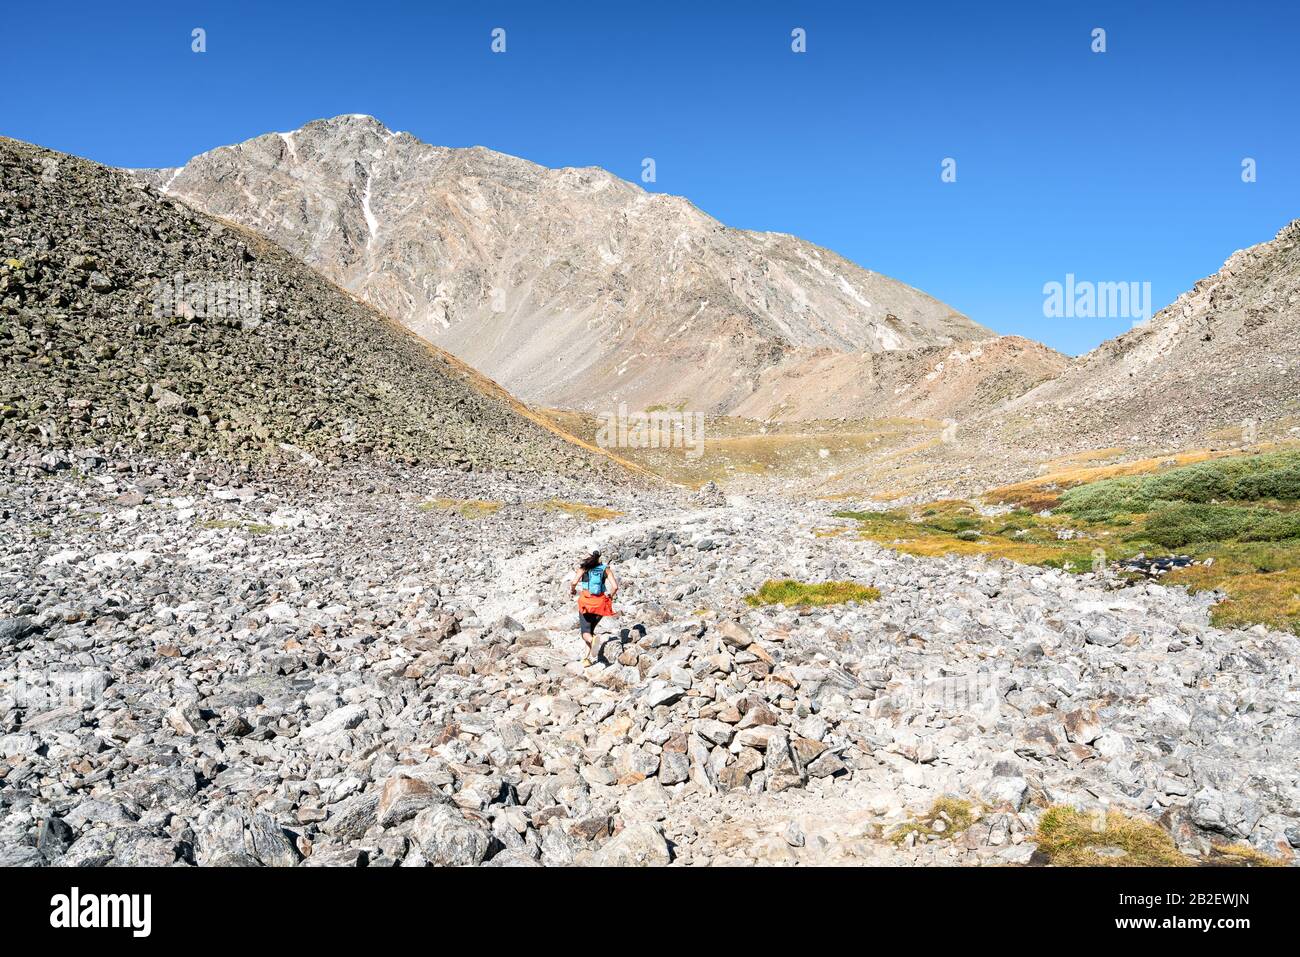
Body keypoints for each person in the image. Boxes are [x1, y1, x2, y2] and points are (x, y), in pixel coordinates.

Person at [570, 550, 618, 664]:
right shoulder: (605, 569)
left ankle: (592, 640)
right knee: (590, 629)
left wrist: (572, 590)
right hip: (600, 604)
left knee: (585, 632)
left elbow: (574, 582)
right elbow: (615, 587)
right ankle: (586, 659)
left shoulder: (584, 568)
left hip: (586, 602)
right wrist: (610, 596)